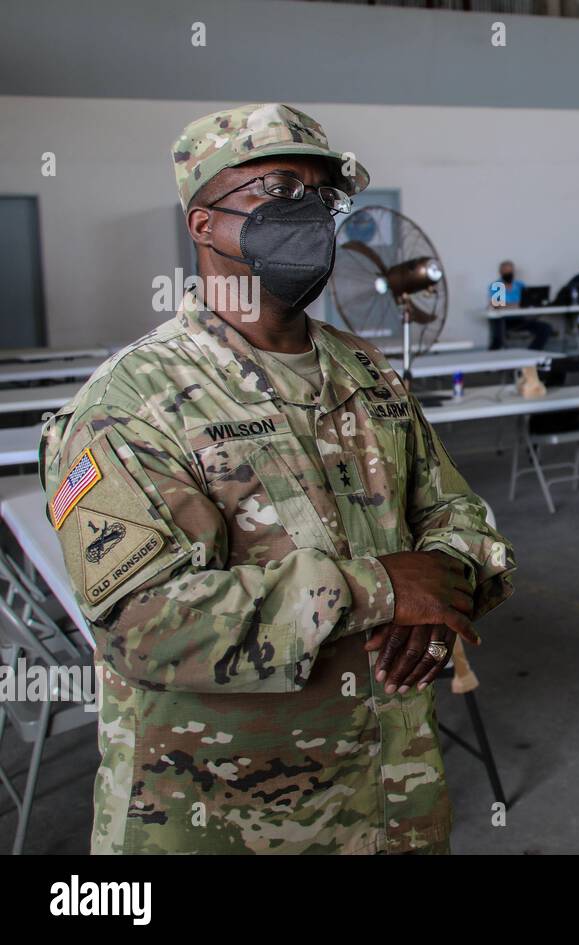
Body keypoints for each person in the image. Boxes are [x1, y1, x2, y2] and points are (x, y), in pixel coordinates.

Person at [40, 103, 516, 854]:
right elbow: (142, 625)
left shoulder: (364, 367)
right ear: (203, 223)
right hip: (224, 821)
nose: (311, 213)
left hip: (396, 801)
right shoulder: (127, 403)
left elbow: (458, 515)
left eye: (323, 196)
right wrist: (384, 590)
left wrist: (445, 590)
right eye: (279, 189)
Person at [487, 259, 552, 350]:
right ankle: (494, 353)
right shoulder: (498, 285)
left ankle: (531, 353)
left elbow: (527, 301)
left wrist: (513, 305)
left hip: (520, 320)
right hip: (504, 322)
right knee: (498, 333)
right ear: (500, 273)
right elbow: (498, 306)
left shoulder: (519, 285)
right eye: (505, 272)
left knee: (545, 328)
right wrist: (515, 305)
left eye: (510, 271)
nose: (508, 274)